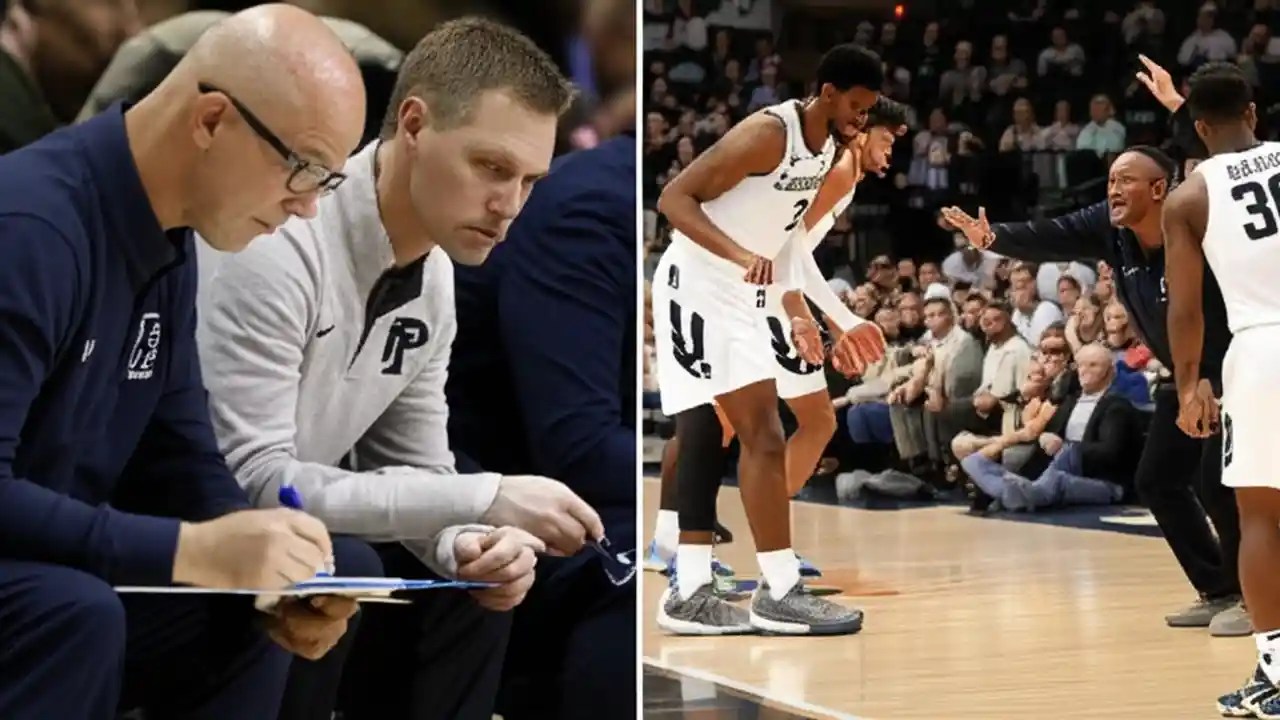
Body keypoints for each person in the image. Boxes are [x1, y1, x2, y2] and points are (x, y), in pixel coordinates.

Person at [196, 17, 596, 720]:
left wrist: (467, 543)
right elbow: (254, 483)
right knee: (339, 561)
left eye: (530, 180)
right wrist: (483, 497)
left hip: (289, 532)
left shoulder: (434, 278)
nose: (509, 206)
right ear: (413, 125)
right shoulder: (281, 237)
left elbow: (415, 470)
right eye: (492, 167)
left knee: (474, 590)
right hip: (188, 530)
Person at [0, 6, 369, 719]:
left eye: (326, 182)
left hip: (51, 567)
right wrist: (190, 549)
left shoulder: (172, 234)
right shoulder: (31, 230)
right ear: (211, 120)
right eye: (302, 169)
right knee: (73, 612)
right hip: (40, 584)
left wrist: (258, 555)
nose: (306, 210)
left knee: (280, 592)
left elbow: (181, 450)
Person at [941, 82, 1245, 634]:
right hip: (1180, 373)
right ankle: (1219, 587)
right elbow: (1049, 234)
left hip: (1230, 367)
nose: (1113, 190)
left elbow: (1227, 156)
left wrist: (1181, 108)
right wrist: (992, 237)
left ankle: (1255, 597)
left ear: (1161, 188)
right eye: (1110, 181)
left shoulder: (1199, 217)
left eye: (1125, 180)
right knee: (1158, 479)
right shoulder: (1111, 228)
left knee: (1217, 482)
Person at [652, 43, 886, 635]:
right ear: (828, 93)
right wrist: (739, 256)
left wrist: (826, 315)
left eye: (868, 110)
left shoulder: (828, 149)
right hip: (697, 283)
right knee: (740, 430)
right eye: (856, 106)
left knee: (738, 433)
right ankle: (766, 588)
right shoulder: (768, 133)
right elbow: (673, 199)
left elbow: (787, 241)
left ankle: (703, 589)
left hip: (742, 292)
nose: (862, 119)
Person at [446, 4, 637, 716]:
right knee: (644, 562)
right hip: (479, 494)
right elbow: (577, 442)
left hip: (528, 487)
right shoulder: (595, 207)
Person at [1162, 61, 1280, 718]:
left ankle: (1278, 672)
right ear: (1254, 113)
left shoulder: (1188, 199)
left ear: (1199, 128)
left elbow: (1185, 310)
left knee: (1261, 518)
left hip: (1262, 348)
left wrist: (1189, 385)